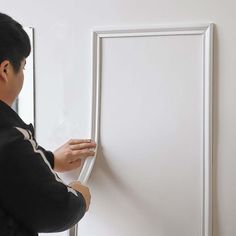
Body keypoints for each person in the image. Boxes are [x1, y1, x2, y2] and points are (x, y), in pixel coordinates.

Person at [0, 12, 96, 236]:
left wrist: (50, 159)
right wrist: (79, 196)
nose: (23, 74)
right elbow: (57, 209)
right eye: (23, 67)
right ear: (5, 70)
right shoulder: (9, 138)